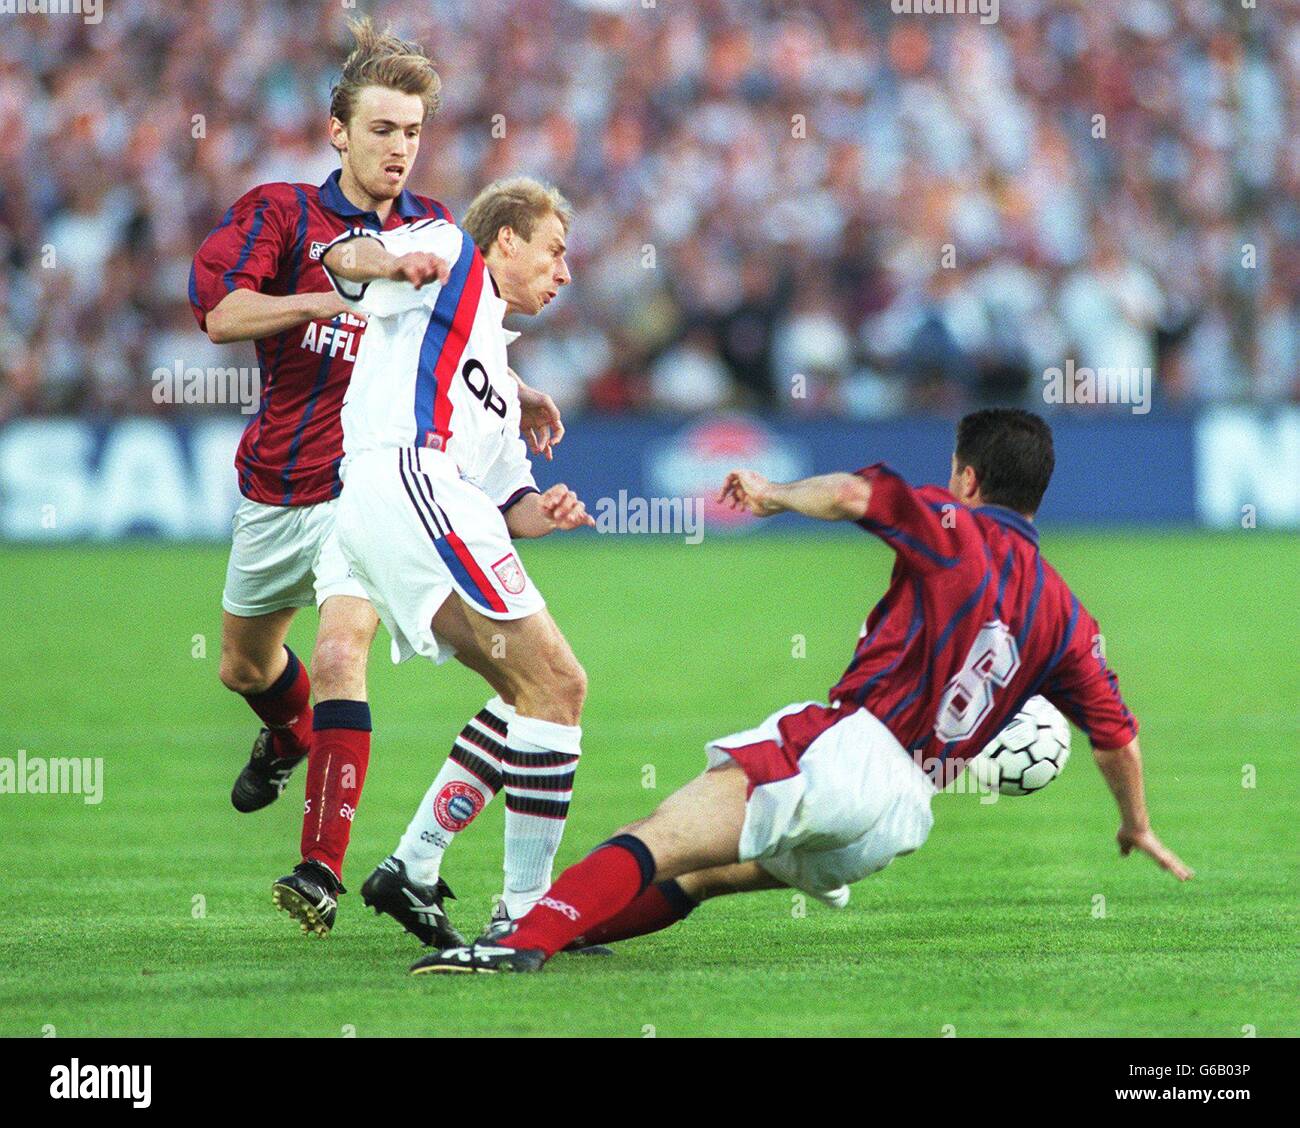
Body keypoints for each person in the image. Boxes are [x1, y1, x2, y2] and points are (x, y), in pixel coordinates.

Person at [408, 408, 1193, 974]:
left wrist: (775, 492)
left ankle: (517, 946)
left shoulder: (953, 523)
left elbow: (854, 496)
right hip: (902, 817)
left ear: (967, 476)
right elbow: (1117, 735)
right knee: (703, 875)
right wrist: (1137, 825)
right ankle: (570, 932)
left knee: (663, 832)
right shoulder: (1067, 614)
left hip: (853, 750)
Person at [189, 18, 563, 937]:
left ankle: (321, 871)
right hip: (279, 482)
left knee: (342, 651)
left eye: (412, 132)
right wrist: (331, 295)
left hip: (367, 491)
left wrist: (517, 388)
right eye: (383, 130)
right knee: (246, 663)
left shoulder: (433, 229)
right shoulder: (282, 213)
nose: (400, 148)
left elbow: (460, 337)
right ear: (339, 133)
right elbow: (223, 315)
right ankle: (284, 734)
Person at [271, 177, 594, 946]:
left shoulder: (496, 370)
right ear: (506, 240)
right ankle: (523, 913)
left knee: (533, 691)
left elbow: (510, 500)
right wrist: (387, 265)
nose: (565, 271)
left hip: (429, 502)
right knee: (560, 685)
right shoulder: (449, 250)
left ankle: (413, 865)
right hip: (408, 477)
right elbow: (345, 258)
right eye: (554, 250)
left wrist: (541, 514)